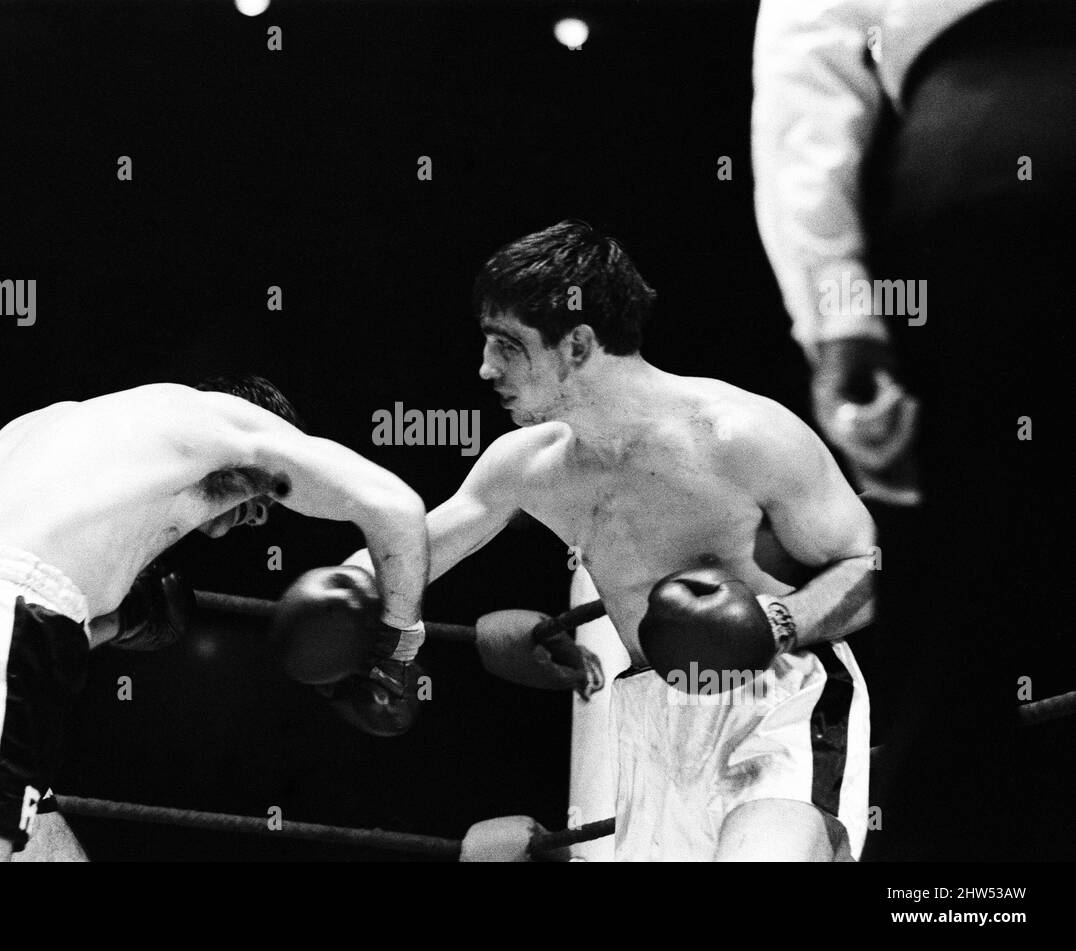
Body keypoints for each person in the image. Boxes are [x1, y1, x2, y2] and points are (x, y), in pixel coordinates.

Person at [352, 221, 875, 860]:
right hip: (651, 719)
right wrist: (342, 602)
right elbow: (413, 547)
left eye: (507, 346)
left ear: (576, 343)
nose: (485, 367)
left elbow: (867, 567)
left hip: (775, 701)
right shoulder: (527, 466)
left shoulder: (742, 437)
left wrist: (781, 622)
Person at [0, 375, 429, 861]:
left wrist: (114, 622)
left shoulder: (48, 432)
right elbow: (395, 508)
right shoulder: (231, 422)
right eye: (255, 506)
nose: (234, 524)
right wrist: (396, 649)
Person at [753, 0, 1075, 857]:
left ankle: (958, 909)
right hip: (996, 131)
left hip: (991, 142)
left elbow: (807, 72)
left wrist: (839, 317)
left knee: (962, 644)